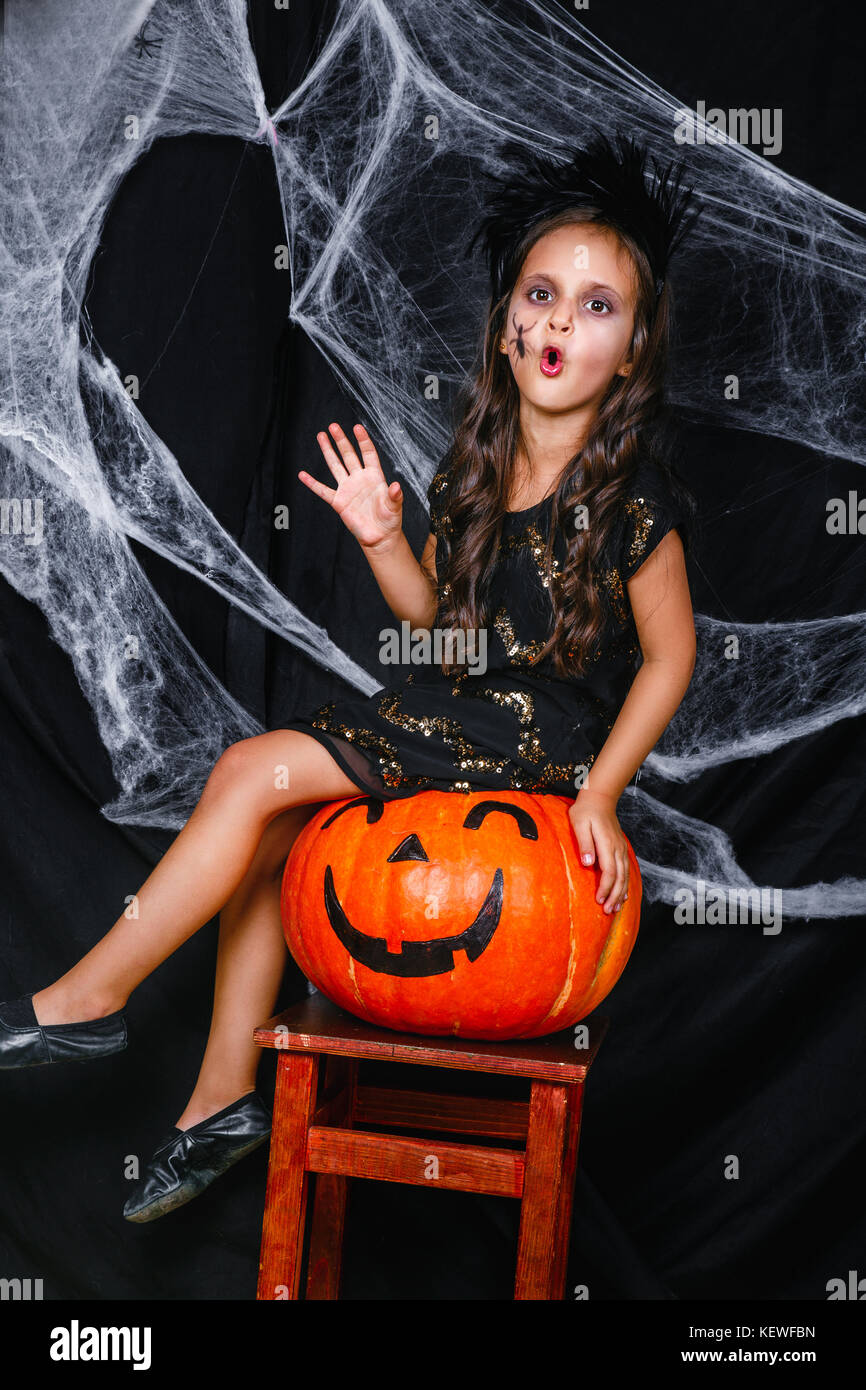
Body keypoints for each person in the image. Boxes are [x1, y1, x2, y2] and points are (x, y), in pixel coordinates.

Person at [0, 129, 699, 1223]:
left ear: (633, 344)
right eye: (540, 293)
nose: (560, 320)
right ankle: (226, 1094)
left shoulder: (633, 504)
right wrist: (382, 537)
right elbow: (437, 617)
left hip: (536, 745)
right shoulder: (477, 468)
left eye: (596, 306)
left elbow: (672, 658)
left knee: (254, 769)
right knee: (274, 815)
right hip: (453, 706)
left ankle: (92, 996)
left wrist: (602, 793)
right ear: (507, 321)